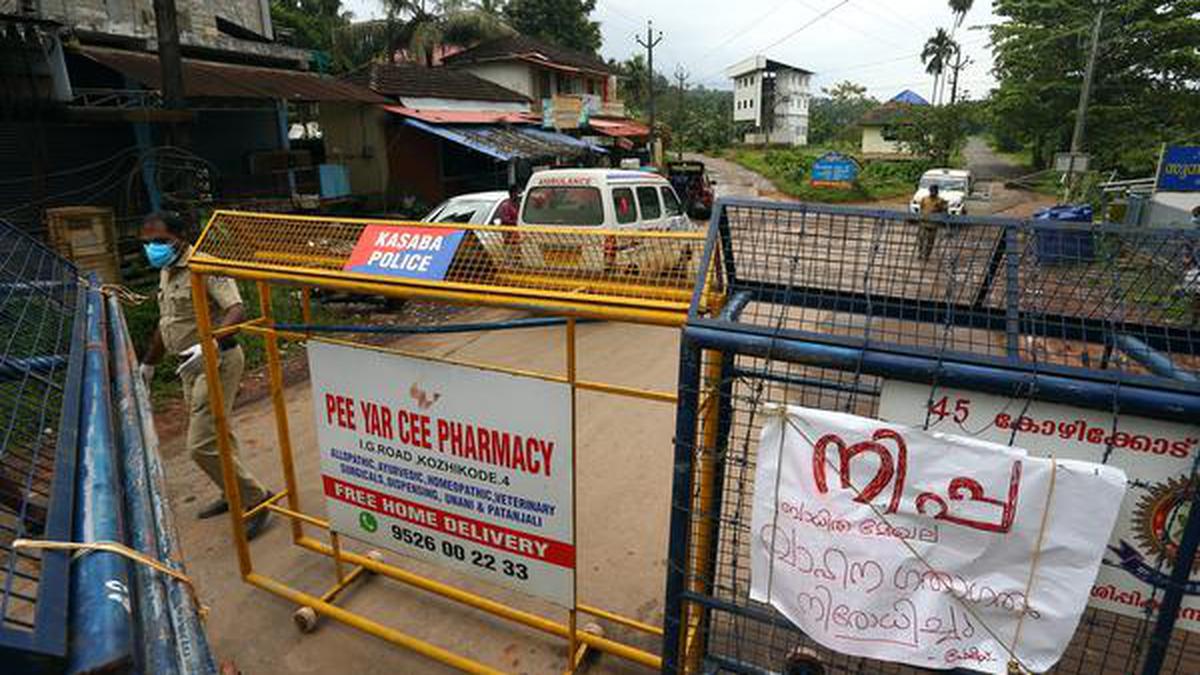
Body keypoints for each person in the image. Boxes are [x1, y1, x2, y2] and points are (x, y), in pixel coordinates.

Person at [138, 211, 273, 540]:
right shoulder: (167, 271)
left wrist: (211, 343)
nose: (153, 248)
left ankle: (256, 499)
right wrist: (148, 365)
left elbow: (236, 309)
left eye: (161, 241)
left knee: (200, 444)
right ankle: (231, 494)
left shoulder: (204, 264)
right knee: (218, 433)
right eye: (148, 243)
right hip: (188, 366)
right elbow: (166, 322)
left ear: (180, 237)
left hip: (218, 360)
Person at [917, 183, 949, 260]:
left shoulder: (940, 201)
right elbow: (921, 209)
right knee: (921, 239)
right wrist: (920, 218)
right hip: (923, 223)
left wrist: (941, 209)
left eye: (934, 191)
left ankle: (927, 255)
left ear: (937, 192)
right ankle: (920, 253)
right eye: (931, 191)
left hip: (933, 225)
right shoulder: (924, 199)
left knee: (930, 242)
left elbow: (945, 211)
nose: (932, 193)